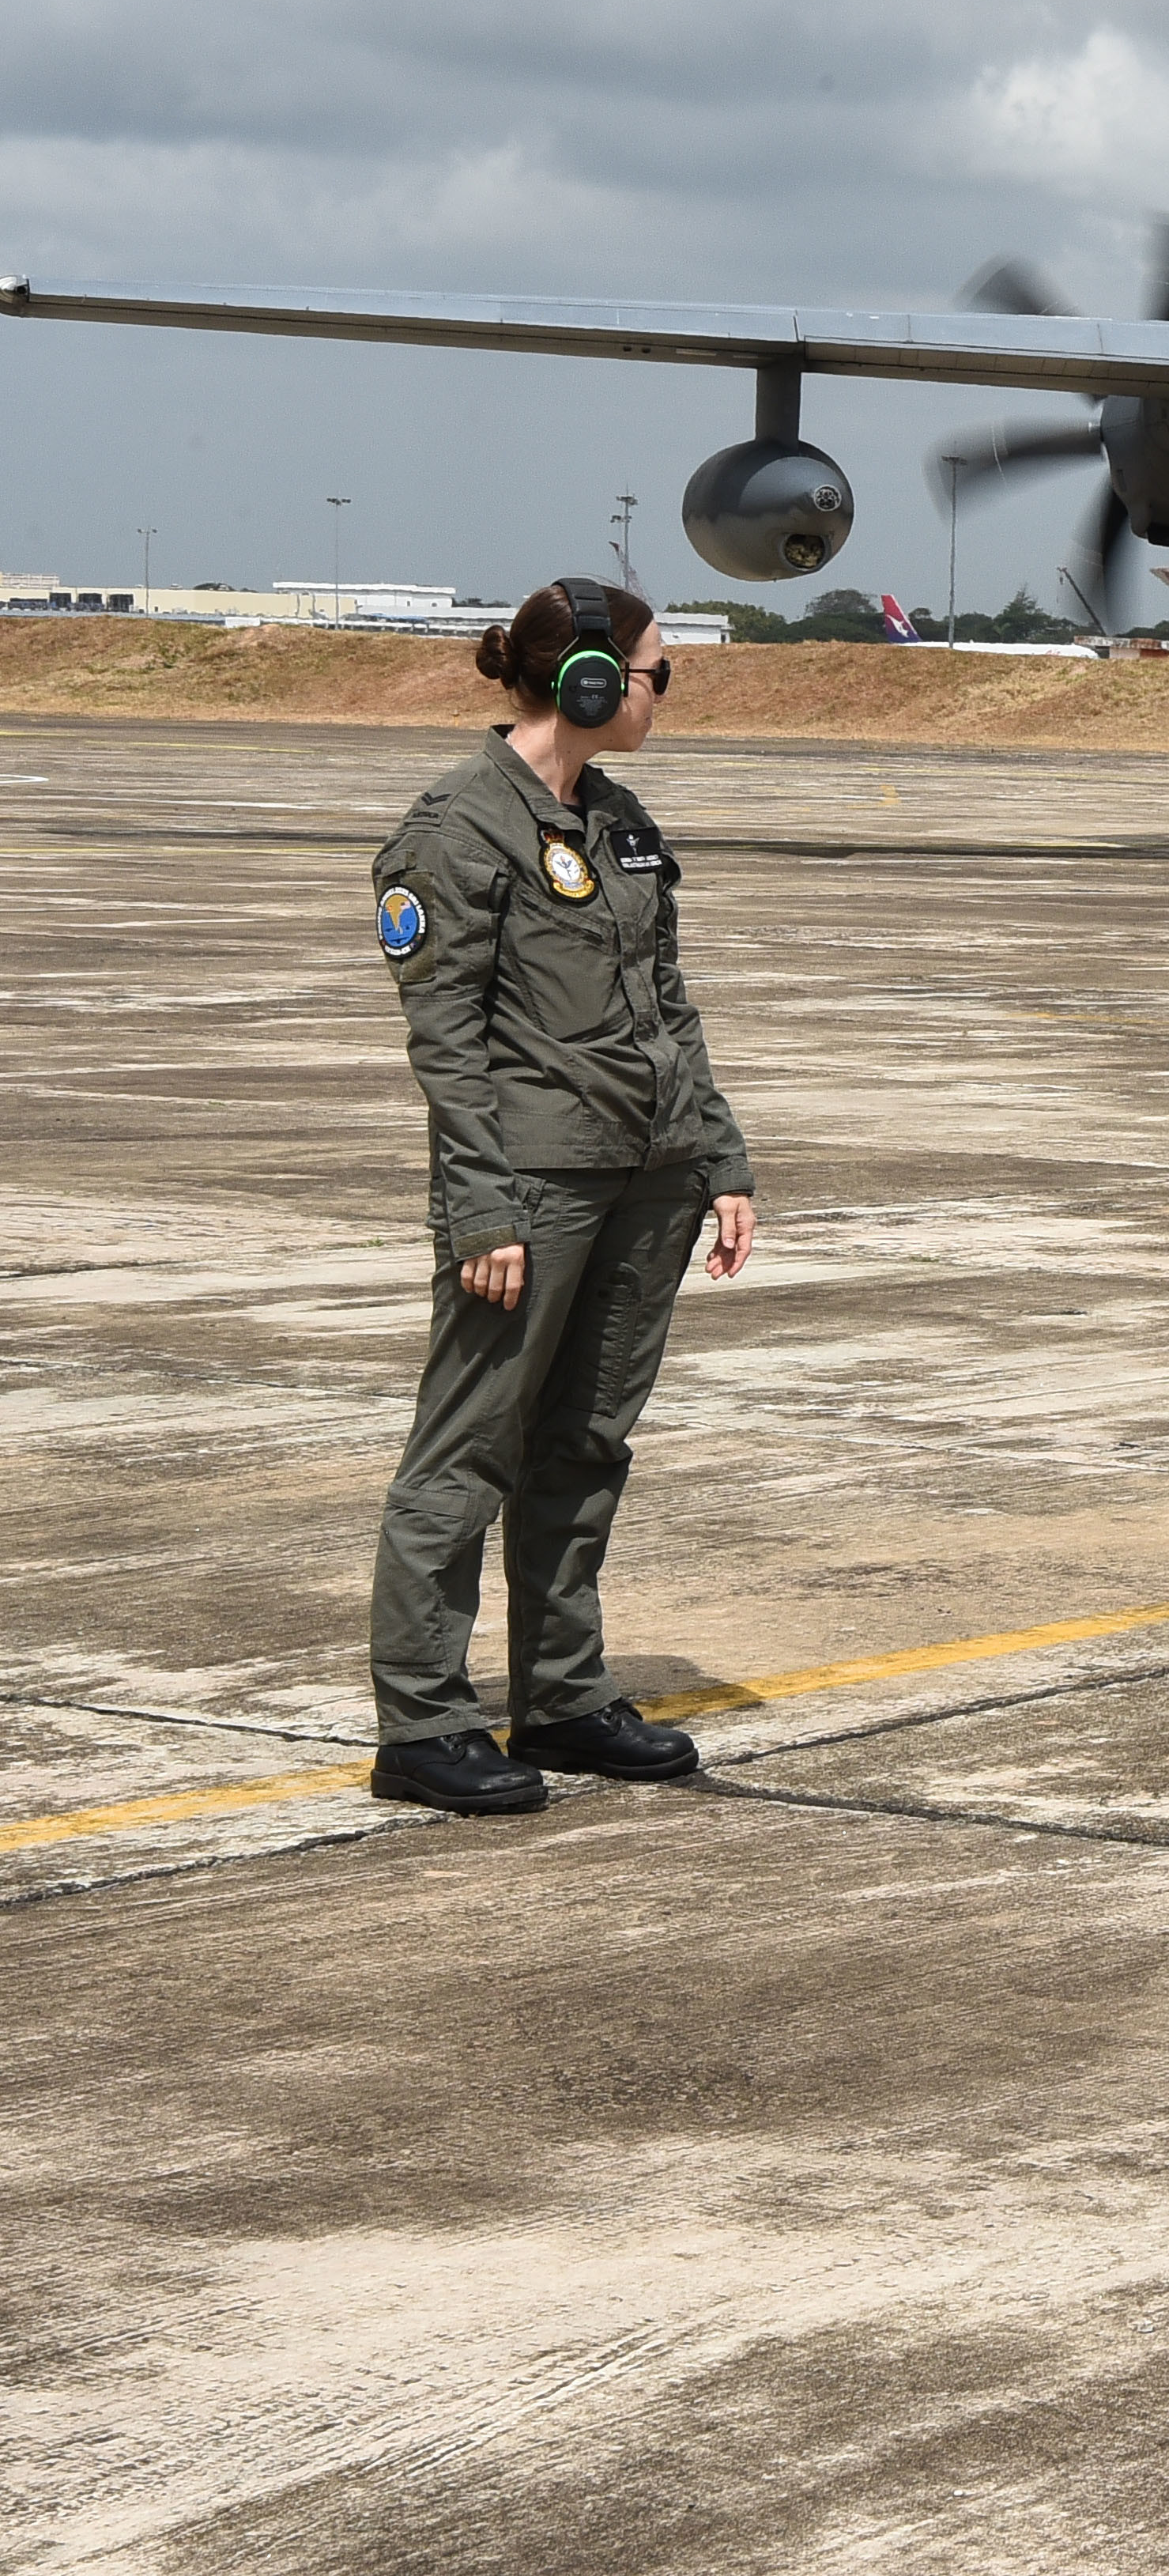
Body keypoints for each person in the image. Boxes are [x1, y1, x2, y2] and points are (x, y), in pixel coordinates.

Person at [364, 578, 758, 1817]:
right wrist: (481, 1212)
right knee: (469, 1446)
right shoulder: (456, 831)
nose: (661, 695)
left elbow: (668, 1009)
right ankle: (424, 1721)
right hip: (531, 1187)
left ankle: (563, 1696)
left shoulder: (622, 820)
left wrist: (721, 1160)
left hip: (647, 1184)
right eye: (656, 672)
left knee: (586, 1446)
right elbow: (449, 1045)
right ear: (588, 680)